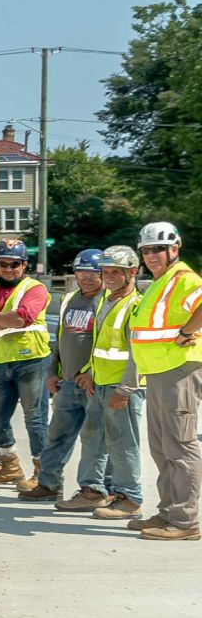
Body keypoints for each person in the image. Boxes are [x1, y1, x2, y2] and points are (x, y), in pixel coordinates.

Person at [130, 222, 202, 540]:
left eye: (158, 249)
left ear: (174, 249)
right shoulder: (159, 283)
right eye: (146, 250)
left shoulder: (183, 279)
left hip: (179, 369)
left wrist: (187, 332)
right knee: (162, 448)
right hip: (159, 372)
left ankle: (186, 522)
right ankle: (167, 513)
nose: (152, 255)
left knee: (181, 446)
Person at [25, 250, 109, 504]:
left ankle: (98, 490)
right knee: (57, 434)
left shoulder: (108, 301)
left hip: (95, 383)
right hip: (68, 383)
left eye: (93, 273)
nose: (86, 278)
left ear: (103, 274)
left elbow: (111, 342)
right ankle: (49, 483)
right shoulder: (69, 299)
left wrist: (93, 371)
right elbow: (61, 340)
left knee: (97, 438)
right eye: (82, 272)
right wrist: (52, 372)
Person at [0, 240, 50, 489]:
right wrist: (6, 320)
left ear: (24, 264)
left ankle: (42, 473)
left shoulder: (34, 288)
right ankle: (10, 465)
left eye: (14, 264)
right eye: (3, 264)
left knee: (35, 419)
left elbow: (23, 318)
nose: (8, 268)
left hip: (30, 361)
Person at [81, 246, 145, 521]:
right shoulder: (106, 300)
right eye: (105, 271)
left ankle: (130, 498)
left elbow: (136, 352)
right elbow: (101, 344)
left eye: (115, 272)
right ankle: (95, 492)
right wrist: (89, 372)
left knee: (122, 443)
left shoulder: (135, 305)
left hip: (122, 387)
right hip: (101, 382)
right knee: (94, 438)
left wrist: (125, 389)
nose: (108, 276)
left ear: (132, 272)